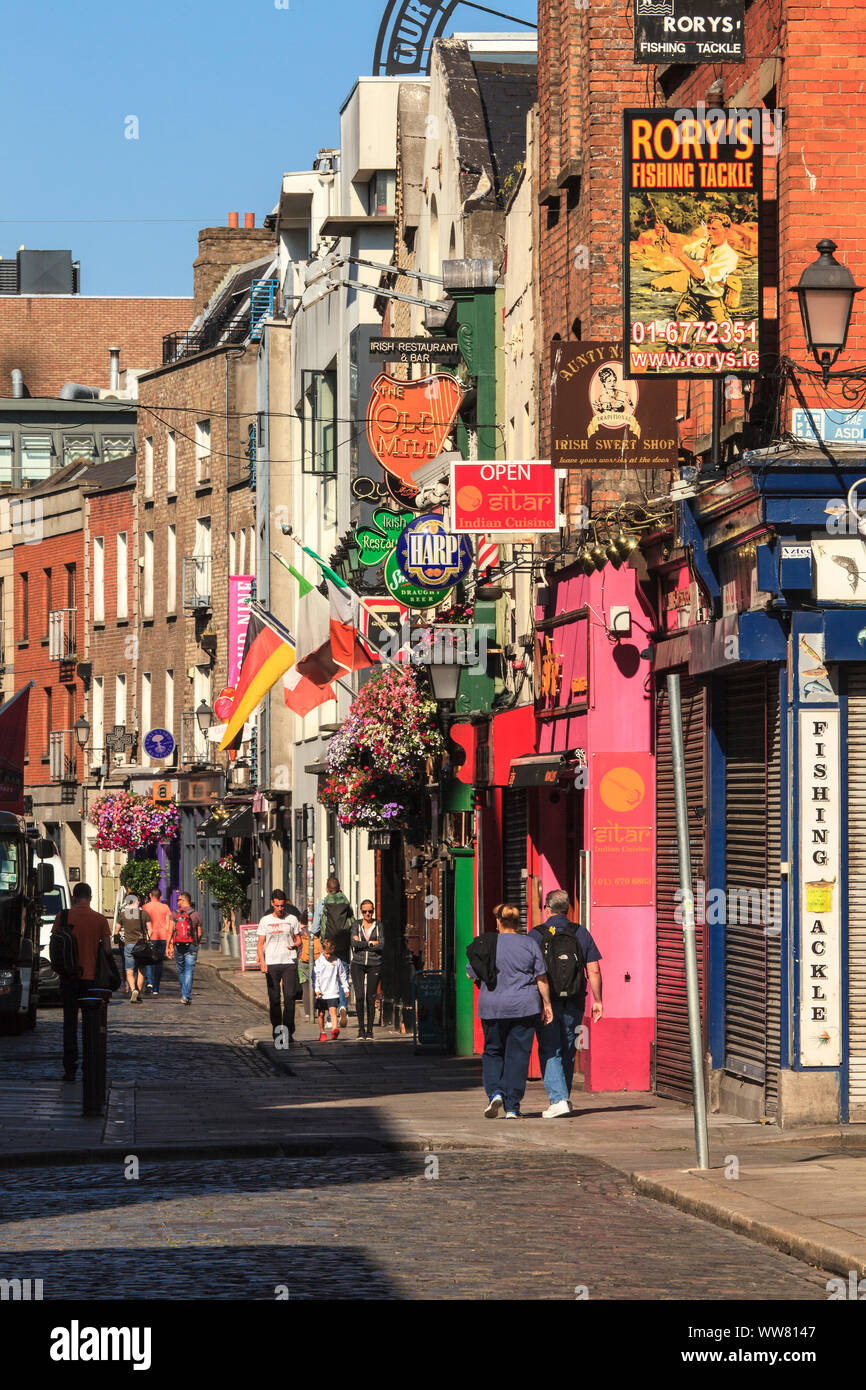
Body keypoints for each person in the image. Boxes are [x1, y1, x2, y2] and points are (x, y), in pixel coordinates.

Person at [467, 903, 553, 1119]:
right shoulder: (530, 944)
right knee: (518, 1055)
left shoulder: (486, 943)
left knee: (493, 1051)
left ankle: (495, 1092)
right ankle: (512, 1107)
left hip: (492, 1007)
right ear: (518, 923)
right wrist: (547, 1004)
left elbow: (472, 974)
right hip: (524, 1008)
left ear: (498, 921)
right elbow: (541, 977)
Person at [530, 889, 603, 1118]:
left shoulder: (536, 934)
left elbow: (530, 971)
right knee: (569, 1049)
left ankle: (559, 1099)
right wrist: (598, 999)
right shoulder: (581, 933)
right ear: (568, 909)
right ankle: (563, 1098)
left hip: (546, 1001)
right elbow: (594, 969)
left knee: (551, 1048)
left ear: (547, 909)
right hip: (574, 999)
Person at [52, 882, 112, 1083]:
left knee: (69, 1024)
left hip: (68, 977)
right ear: (91, 897)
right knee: (92, 1025)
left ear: (75, 897)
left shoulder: (63, 917)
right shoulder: (100, 919)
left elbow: (56, 944)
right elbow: (108, 951)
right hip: (91, 979)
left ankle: (70, 1068)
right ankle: (90, 1064)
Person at [655, 212, 740, 325]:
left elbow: (702, 277)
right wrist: (666, 234)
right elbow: (679, 247)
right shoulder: (702, 244)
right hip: (691, 299)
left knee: (725, 342)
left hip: (713, 303)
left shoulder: (729, 255)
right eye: (708, 228)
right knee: (681, 339)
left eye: (714, 229)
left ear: (726, 230)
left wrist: (680, 255)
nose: (709, 233)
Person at [256, 889, 305, 1045]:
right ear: (272, 904)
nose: (280, 909)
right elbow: (260, 944)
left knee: (290, 997)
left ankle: (288, 1032)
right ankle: (278, 1032)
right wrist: (262, 962)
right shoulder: (265, 921)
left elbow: (299, 940)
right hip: (271, 963)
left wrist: (295, 945)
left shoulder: (292, 919)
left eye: (282, 906)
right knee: (275, 999)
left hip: (289, 962)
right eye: (277, 906)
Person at [312, 875, 353, 1027]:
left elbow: (316, 927)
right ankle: (343, 1006)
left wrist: (317, 936)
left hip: (329, 944)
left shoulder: (323, 903)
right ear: (340, 888)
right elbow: (351, 921)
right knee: (343, 977)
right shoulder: (346, 903)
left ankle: (330, 1018)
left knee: (329, 980)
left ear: (327, 889)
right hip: (343, 944)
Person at [349, 899, 384, 1041]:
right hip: (357, 963)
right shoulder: (356, 925)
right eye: (365, 912)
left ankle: (370, 1031)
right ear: (361, 912)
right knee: (359, 997)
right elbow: (353, 943)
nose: (368, 914)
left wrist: (361, 944)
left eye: (370, 911)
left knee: (370, 996)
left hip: (374, 963)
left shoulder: (379, 925)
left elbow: (381, 945)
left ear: (373, 911)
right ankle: (360, 1029)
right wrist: (370, 943)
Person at [313, 937, 350, 1041]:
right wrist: (316, 989)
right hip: (321, 992)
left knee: (333, 1012)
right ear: (323, 950)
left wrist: (346, 987)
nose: (328, 956)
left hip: (333, 991)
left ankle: (335, 1030)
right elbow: (316, 977)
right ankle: (322, 1032)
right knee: (321, 1014)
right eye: (326, 954)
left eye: (330, 954)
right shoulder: (318, 962)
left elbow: (342, 974)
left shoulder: (337, 961)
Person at [170, 892, 203, 1005]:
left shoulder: (174, 914)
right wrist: (197, 943)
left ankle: (185, 994)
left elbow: (170, 931)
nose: (177, 902)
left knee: (181, 970)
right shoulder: (196, 914)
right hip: (192, 945)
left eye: (178, 900)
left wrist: (168, 946)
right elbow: (199, 933)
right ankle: (186, 995)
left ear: (184, 900)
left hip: (178, 945)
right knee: (189, 970)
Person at [117, 891, 149, 1004]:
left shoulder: (123, 915)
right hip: (141, 945)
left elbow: (117, 931)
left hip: (128, 945)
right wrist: (147, 940)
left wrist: (120, 940)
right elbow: (151, 930)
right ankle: (138, 993)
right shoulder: (144, 914)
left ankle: (133, 989)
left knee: (129, 971)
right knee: (141, 970)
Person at [142, 888, 173, 995]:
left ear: (150, 895)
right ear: (160, 897)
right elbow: (169, 924)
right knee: (159, 962)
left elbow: (142, 924)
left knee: (148, 960)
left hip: (150, 936)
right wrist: (170, 940)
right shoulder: (165, 907)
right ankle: (156, 988)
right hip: (162, 937)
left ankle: (149, 981)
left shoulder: (145, 907)